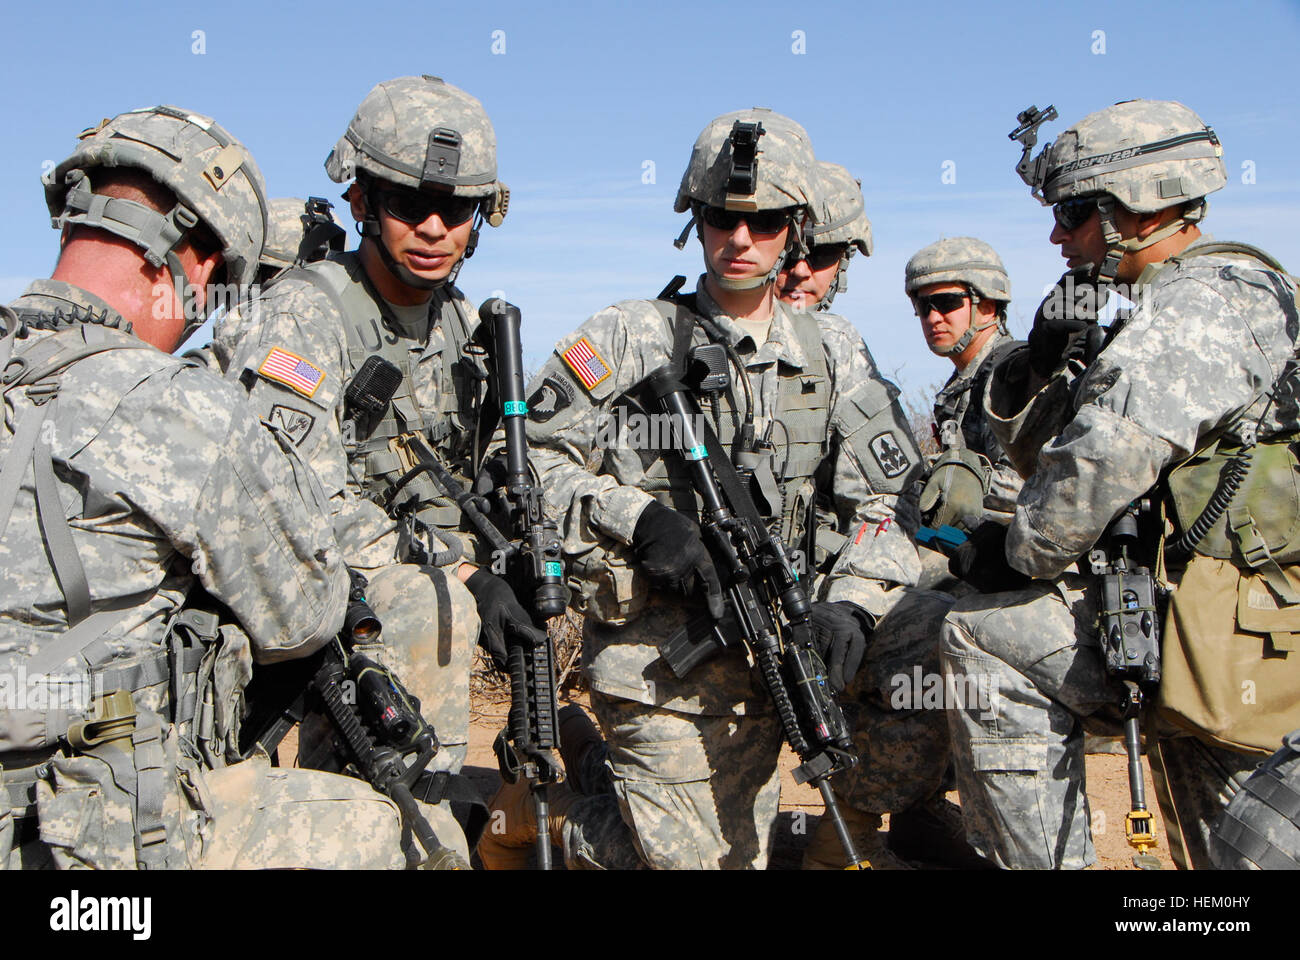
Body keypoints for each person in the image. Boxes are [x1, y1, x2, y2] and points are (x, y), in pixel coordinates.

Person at [480, 108, 954, 871]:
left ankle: (843, 845)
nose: (740, 241)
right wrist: (639, 519)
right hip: (665, 660)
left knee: (942, 633)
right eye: (720, 219)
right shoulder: (630, 334)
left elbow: (886, 497)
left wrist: (855, 604)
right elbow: (520, 460)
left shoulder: (834, 350)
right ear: (694, 222)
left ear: (795, 230)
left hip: (789, 640)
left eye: (765, 224)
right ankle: (550, 818)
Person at [0, 104, 419, 869]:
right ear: (195, 263)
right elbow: (300, 616)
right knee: (375, 829)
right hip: (76, 836)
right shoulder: (183, 408)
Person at [941, 98, 1300, 869]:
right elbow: (1052, 452)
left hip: (1243, 630)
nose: (1057, 235)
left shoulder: (1197, 304)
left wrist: (1021, 551)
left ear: (1135, 210)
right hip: (1218, 610)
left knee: (984, 637)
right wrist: (1036, 365)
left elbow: (1104, 457)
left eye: (1073, 213)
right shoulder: (1200, 299)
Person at [215, 76, 535, 809]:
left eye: (455, 209)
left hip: (423, 572)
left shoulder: (464, 327)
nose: (433, 228)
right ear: (361, 203)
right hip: (319, 586)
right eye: (407, 205)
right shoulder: (304, 313)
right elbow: (297, 506)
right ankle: (386, 810)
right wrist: (462, 575)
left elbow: (484, 462)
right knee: (425, 609)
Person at [905, 237, 1023, 533]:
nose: (933, 317)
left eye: (947, 303)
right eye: (923, 305)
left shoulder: (1012, 374)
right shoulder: (962, 383)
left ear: (988, 304)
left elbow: (1027, 486)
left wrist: (935, 474)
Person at [775, 161, 871, 313]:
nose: (800, 271)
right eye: (787, 254)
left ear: (842, 261)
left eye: (820, 255)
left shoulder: (844, 336)